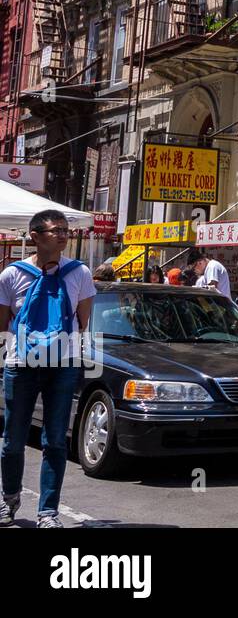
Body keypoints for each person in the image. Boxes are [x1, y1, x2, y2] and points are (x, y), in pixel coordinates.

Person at [0, 209, 96, 528]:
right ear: (35, 236)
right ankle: (10, 497)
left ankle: (48, 511)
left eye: (66, 230)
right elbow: (2, 325)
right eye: (55, 230)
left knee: (55, 439)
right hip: (20, 364)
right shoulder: (11, 275)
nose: (63, 235)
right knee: (13, 439)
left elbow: (84, 322)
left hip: (62, 364)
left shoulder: (80, 272)